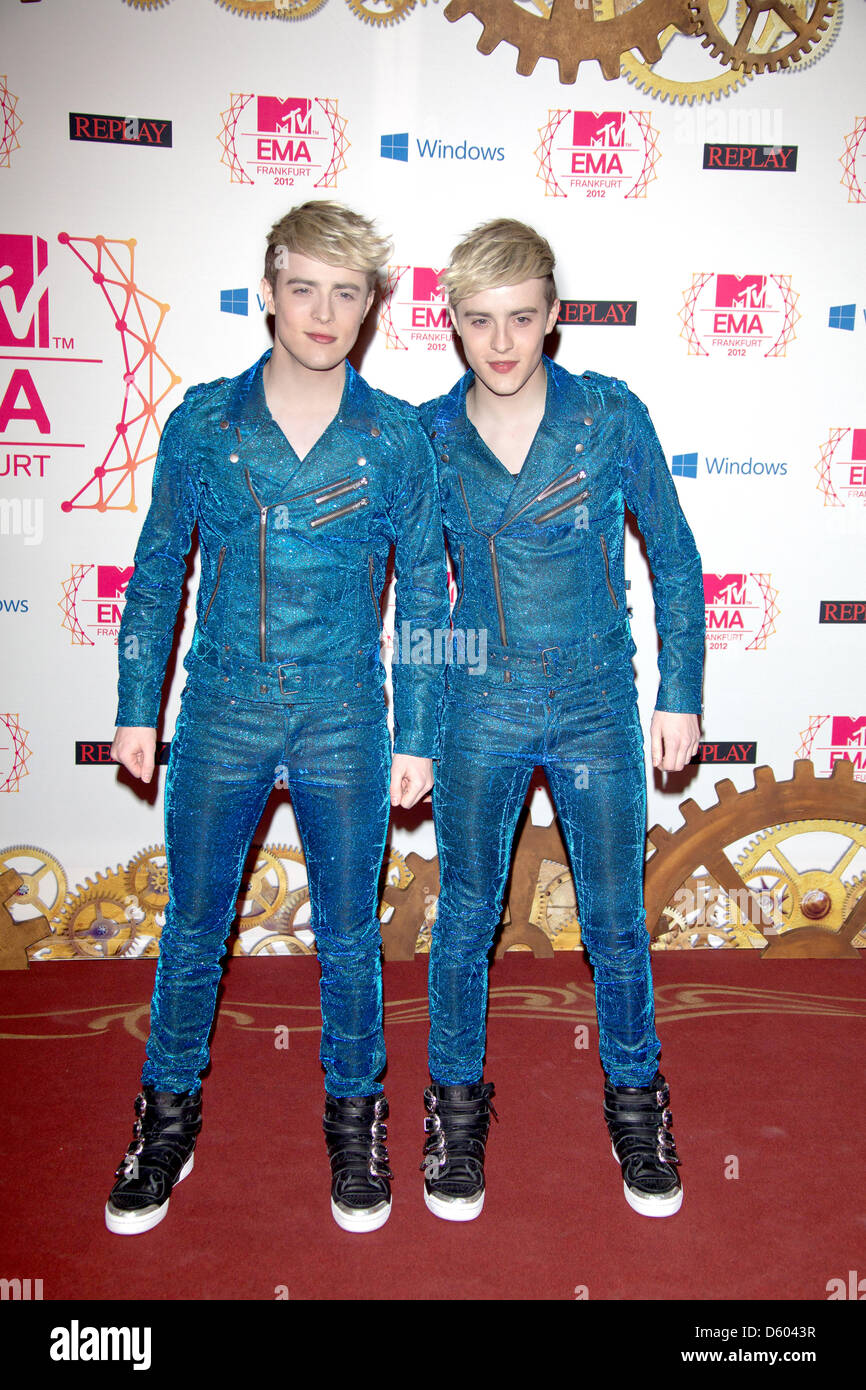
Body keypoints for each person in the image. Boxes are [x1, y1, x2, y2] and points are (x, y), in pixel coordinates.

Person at [106, 200, 449, 1236]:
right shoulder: (204, 422)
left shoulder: (394, 438)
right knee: (195, 927)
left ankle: (355, 1126)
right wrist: (135, 707)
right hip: (220, 707)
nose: (322, 310)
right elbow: (158, 569)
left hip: (346, 711)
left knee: (348, 937)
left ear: (372, 307)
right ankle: (164, 1123)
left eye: (347, 292)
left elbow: (427, 596)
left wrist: (420, 729)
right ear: (266, 291)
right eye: (303, 286)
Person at [417, 219, 704, 1221]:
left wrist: (680, 689)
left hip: (592, 703)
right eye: (479, 319)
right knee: (463, 918)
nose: (501, 341)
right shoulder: (425, 433)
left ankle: (635, 1101)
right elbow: (418, 597)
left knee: (616, 923)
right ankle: (453, 1110)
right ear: (451, 322)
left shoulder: (609, 417)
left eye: (522, 318)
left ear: (554, 317)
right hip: (478, 703)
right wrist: (420, 719)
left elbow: (671, 555)